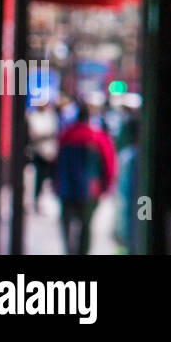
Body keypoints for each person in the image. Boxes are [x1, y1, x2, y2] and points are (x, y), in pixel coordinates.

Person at [55, 102, 117, 255]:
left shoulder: (66, 135)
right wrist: (107, 186)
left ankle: (69, 251)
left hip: (67, 188)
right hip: (90, 190)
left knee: (67, 223)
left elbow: (56, 162)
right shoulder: (99, 137)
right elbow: (109, 163)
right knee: (86, 225)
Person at [26, 102, 59, 211]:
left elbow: (53, 132)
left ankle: (39, 200)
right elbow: (35, 134)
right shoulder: (34, 116)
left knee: (44, 178)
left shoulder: (50, 116)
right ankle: (34, 200)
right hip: (37, 152)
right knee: (36, 177)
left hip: (47, 152)